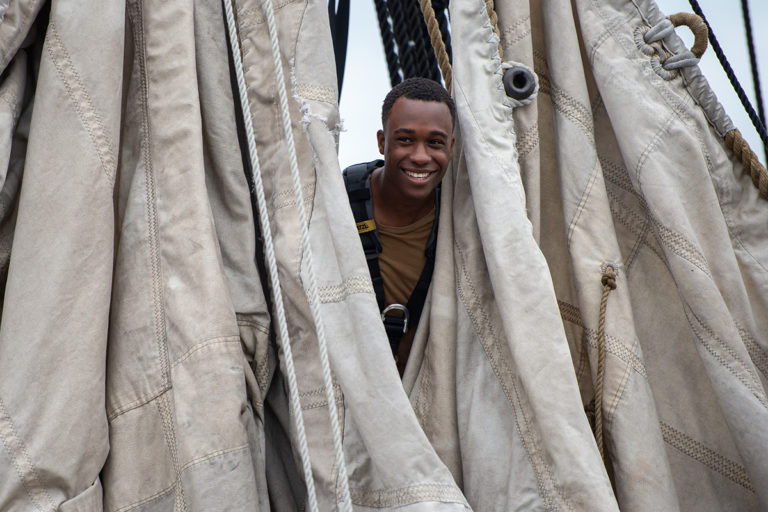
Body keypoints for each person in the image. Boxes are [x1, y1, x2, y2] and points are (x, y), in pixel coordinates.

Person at [343, 77, 455, 375]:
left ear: (452, 147)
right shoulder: (338, 204)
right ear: (382, 141)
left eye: (435, 143)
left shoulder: (462, 222)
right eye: (405, 140)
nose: (420, 157)